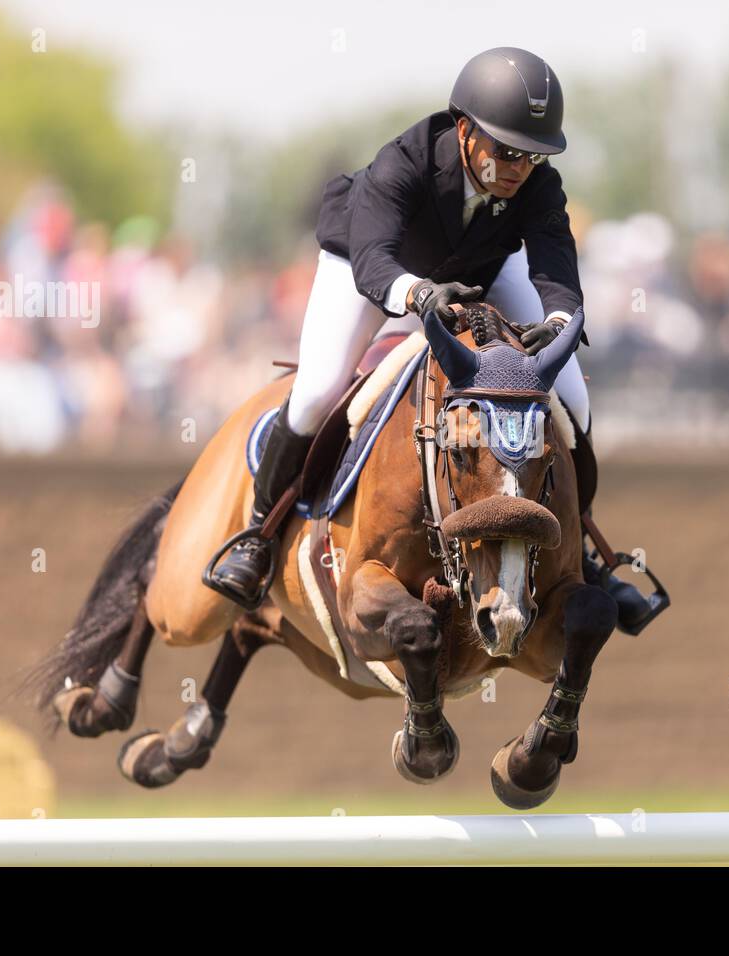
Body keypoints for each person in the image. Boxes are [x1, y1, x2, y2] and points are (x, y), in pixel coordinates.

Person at [207, 46, 653, 631]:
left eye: (533, 155)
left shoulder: (539, 186)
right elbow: (373, 260)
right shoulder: (405, 162)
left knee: (574, 398)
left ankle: (585, 551)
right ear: (465, 131)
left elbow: (554, 269)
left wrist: (559, 322)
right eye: (507, 151)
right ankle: (260, 535)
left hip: (480, 267)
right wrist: (418, 295)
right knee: (318, 390)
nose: (520, 167)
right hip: (370, 269)